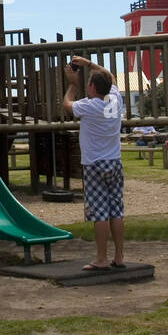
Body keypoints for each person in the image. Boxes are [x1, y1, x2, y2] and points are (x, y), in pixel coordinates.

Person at [63, 55, 125, 270]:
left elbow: (67, 105)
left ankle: (101, 258)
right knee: (116, 211)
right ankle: (119, 256)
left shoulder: (89, 106)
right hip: (114, 161)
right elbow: (112, 77)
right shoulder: (115, 100)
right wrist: (89, 64)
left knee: (100, 212)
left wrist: (72, 84)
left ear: (91, 87)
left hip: (94, 164)